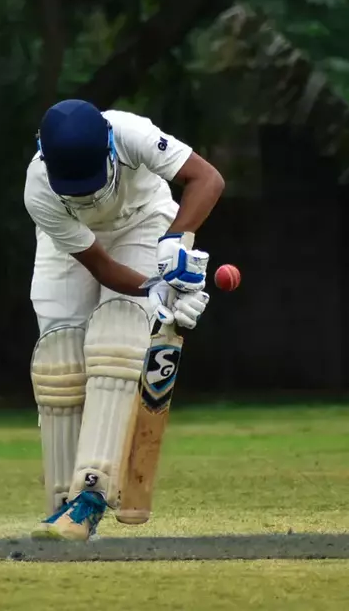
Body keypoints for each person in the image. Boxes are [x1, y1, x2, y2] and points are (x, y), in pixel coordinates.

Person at [25, 99, 225, 540]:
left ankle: (92, 493)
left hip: (142, 223)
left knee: (117, 338)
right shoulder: (39, 190)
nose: (85, 192)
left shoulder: (130, 132)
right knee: (58, 358)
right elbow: (100, 266)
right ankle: (62, 504)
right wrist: (156, 289)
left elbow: (206, 178)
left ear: (109, 147)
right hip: (74, 247)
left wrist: (176, 243)